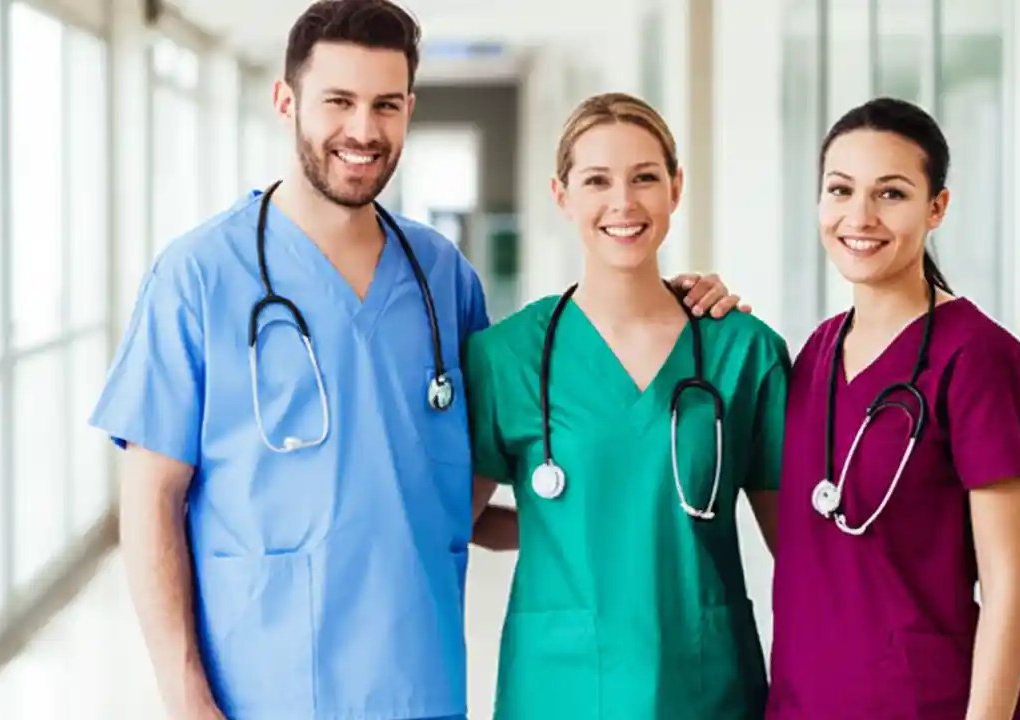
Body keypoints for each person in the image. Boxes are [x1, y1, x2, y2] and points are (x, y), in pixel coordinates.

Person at [88, 2, 743, 718]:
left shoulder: (441, 277)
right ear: (285, 101)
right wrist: (184, 694)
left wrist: (627, 502)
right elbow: (150, 498)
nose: (364, 130)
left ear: (408, 109)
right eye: (338, 101)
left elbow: (471, 486)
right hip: (261, 683)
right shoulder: (199, 276)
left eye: (386, 105)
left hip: (417, 676)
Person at [465, 92, 787, 719]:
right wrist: (575, 524)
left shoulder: (744, 352)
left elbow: (800, 555)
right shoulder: (508, 357)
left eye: (644, 178)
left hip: (703, 687)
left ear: (675, 187)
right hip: (560, 690)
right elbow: (455, 520)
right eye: (597, 180)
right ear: (561, 195)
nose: (623, 202)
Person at [767, 97, 1020, 720]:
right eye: (841, 190)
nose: (859, 216)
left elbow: (1007, 588)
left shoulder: (979, 359)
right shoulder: (817, 352)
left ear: (936, 207)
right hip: (803, 700)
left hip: (925, 703)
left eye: (890, 194)